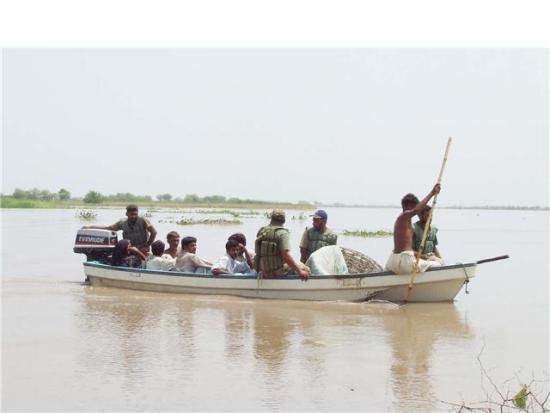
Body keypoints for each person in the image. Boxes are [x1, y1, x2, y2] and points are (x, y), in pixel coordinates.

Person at [385, 184, 443, 274]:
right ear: (408, 206)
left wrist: (421, 256)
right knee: (437, 265)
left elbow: (407, 248)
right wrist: (432, 193)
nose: (418, 211)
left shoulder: (406, 223)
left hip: (393, 260)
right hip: (404, 261)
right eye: (416, 206)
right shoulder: (404, 216)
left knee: (428, 261)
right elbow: (416, 210)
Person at [254, 209, 310, 280]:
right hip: (276, 271)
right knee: (306, 269)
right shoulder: (282, 233)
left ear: (271, 218)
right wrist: (300, 271)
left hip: (261, 270)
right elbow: (286, 255)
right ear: (284, 220)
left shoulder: (262, 230)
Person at [83, 204, 157, 254]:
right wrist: (90, 227)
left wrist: (146, 246)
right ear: (127, 214)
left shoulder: (142, 220)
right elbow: (109, 228)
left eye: (135, 214)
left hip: (143, 248)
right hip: (129, 248)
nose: (134, 216)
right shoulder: (122, 222)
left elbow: (154, 232)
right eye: (132, 214)